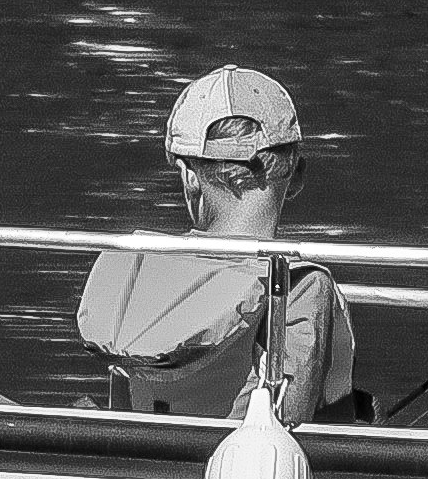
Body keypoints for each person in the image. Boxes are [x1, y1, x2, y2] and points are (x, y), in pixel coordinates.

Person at [80, 66, 365, 423]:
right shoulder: (300, 286)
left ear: (188, 176)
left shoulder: (140, 271)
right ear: (297, 176)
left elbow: (121, 415)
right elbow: (291, 425)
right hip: (244, 470)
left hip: (147, 465)